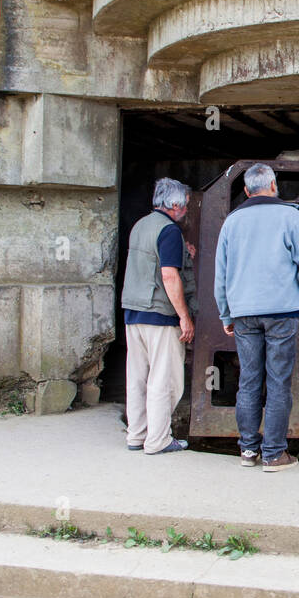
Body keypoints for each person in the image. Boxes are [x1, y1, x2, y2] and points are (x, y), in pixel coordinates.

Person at [214, 163, 299, 471]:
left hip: (244, 313)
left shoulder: (231, 222)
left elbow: (220, 273)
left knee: (248, 381)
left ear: (247, 191)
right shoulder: (291, 217)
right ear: (274, 187)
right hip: (281, 312)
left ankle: (248, 451)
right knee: (277, 383)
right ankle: (274, 454)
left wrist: (226, 312)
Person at [120, 177, 194, 454]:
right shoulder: (170, 231)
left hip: (134, 312)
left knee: (137, 377)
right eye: (185, 205)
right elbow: (168, 275)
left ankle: (137, 435)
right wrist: (184, 317)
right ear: (174, 204)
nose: (186, 209)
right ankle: (159, 440)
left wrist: (186, 255)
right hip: (160, 315)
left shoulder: (141, 225)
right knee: (165, 380)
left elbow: (150, 262)